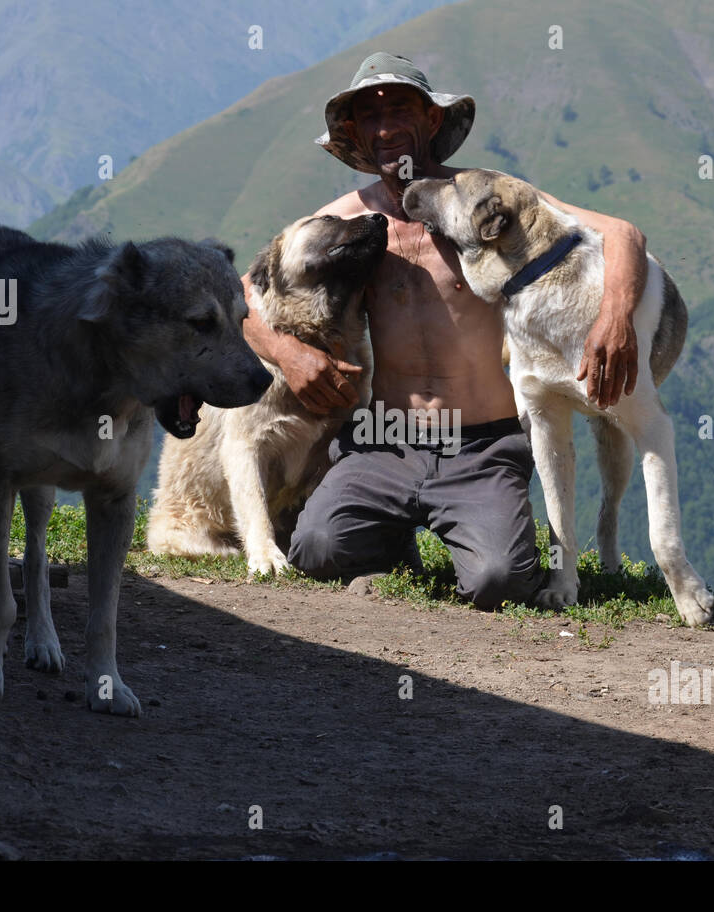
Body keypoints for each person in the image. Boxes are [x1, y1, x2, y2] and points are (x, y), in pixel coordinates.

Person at [241, 53, 650, 609]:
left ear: (433, 120)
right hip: (383, 438)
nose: (385, 127)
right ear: (355, 133)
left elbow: (621, 232)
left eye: (400, 109)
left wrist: (616, 316)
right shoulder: (345, 226)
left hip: (481, 441)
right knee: (315, 548)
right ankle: (391, 538)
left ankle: (454, 531)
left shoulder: (488, 201)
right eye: (369, 115)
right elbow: (245, 292)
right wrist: (288, 354)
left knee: (499, 583)